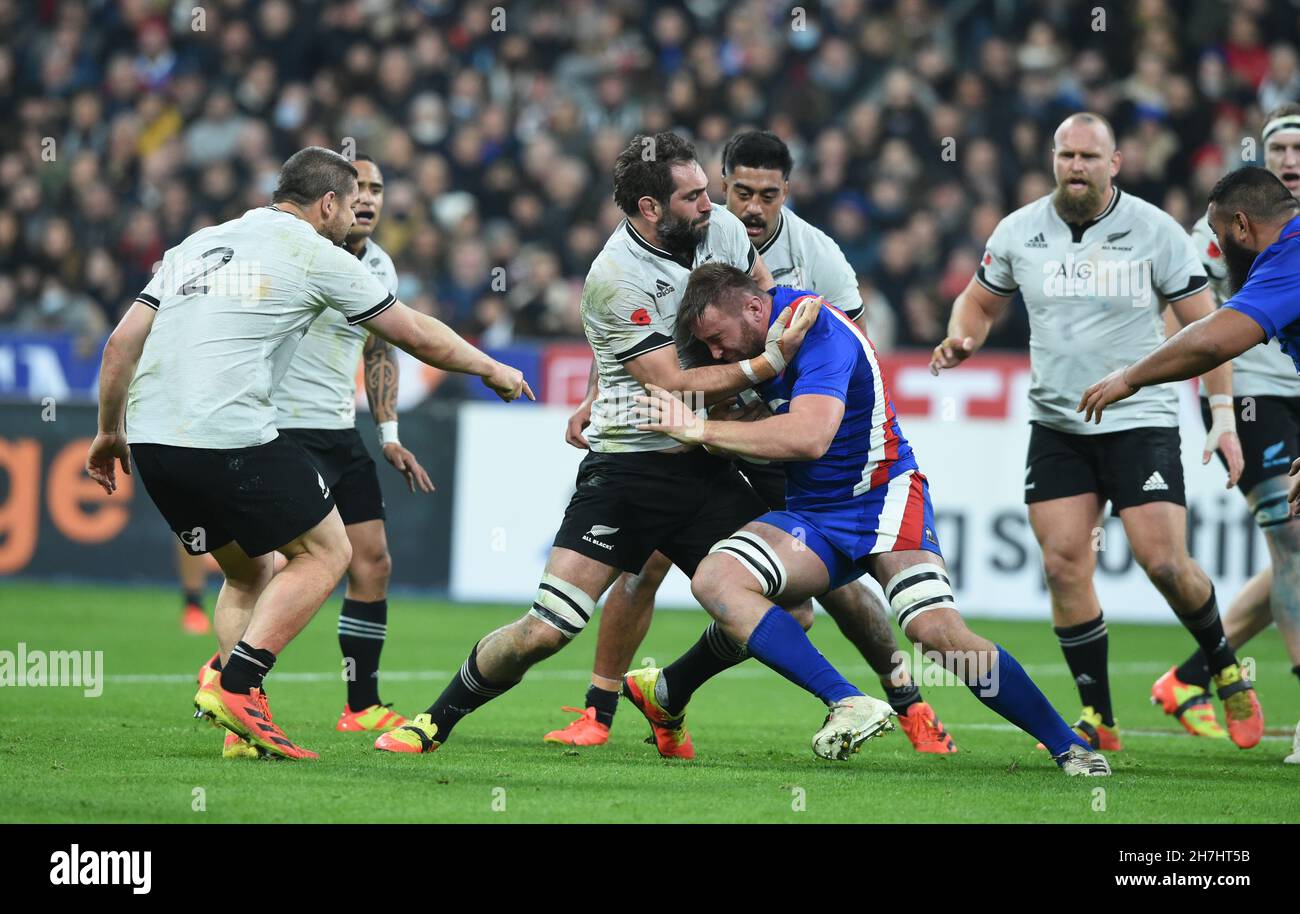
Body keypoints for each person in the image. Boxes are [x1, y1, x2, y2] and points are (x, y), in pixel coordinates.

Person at [372, 132, 821, 757]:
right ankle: (434, 721)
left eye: (704, 190)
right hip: (630, 470)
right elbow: (667, 382)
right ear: (649, 209)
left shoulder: (717, 230)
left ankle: (667, 690)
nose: (711, 204)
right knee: (545, 632)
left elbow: (761, 300)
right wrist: (767, 367)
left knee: (787, 610)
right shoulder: (614, 276)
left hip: (703, 462)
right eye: (692, 196)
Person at [86, 146, 531, 760]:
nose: (358, 215)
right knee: (329, 551)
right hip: (228, 435)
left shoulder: (201, 242)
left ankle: (235, 732)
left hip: (154, 441)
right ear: (327, 205)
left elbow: (120, 345)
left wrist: (109, 431)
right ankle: (236, 684)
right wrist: (491, 368)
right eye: (351, 204)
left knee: (247, 572)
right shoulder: (314, 253)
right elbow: (414, 334)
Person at [546, 130, 957, 757]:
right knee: (644, 566)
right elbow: (643, 341)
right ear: (723, 184)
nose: (750, 207)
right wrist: (596, 393)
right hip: (701, 428)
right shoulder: (702, 232)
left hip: (779, 436)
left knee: (833, 586)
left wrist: (798, 415)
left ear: (786, 192)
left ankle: (907, 700)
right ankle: (599, 710)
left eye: (767, 194)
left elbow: (849, 351)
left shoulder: (817, 254)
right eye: (739, 191)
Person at [635, 264, 1108, 774]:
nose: (717, 354)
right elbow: (685, 383)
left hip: (883, 497)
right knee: (718, 580)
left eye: (718, 340)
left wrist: (701, 428)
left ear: (753, 308)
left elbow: (807, 438)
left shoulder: (818, 329)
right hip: (813, 513)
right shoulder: (762, 345)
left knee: (935, 632)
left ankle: (1070, 744)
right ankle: (845, 700)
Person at [931, 112, 1263, 751]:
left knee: (1163, 560)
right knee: (1062, 565)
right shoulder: (1018, 231)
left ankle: (1223, 664)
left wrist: (1223, 418)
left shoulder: (1156, 232)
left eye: (1088, 156)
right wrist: (963, 335)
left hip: (1138, 421)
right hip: (1057, 424)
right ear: (1052, 159)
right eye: (1065, 155)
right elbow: (979, 299)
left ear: (1115, 163)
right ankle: (1099, 718)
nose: (1075, 166)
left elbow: (1212, 334)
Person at [197, 154, 432, 759]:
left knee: (371, 561)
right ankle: (231, 686)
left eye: (379, 188)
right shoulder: (292, 249)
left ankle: (360, 705)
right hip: (279, 428)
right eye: (359, 189)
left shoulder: (380, 266)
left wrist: (388, 432)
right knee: (278, 568)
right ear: (332, 197)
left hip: (339, 429)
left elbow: (380, 350)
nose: (370, 199)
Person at [1080, 164, 1300, 762]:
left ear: (1241, 226)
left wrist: (1130, 376)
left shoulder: (1289, 257)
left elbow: (1211, 338)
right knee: (1293, 546)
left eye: (1220, 236)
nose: (1219, 251)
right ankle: (1196, 674)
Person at [1151, 106, 1300, 756]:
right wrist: (1215, 416)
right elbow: (1184, 323)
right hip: (1252, 397)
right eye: (1279, 147)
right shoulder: (1224, 230)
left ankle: (1185, 679)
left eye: (1299, 146)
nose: (1291, 158)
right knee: (1293, 538)